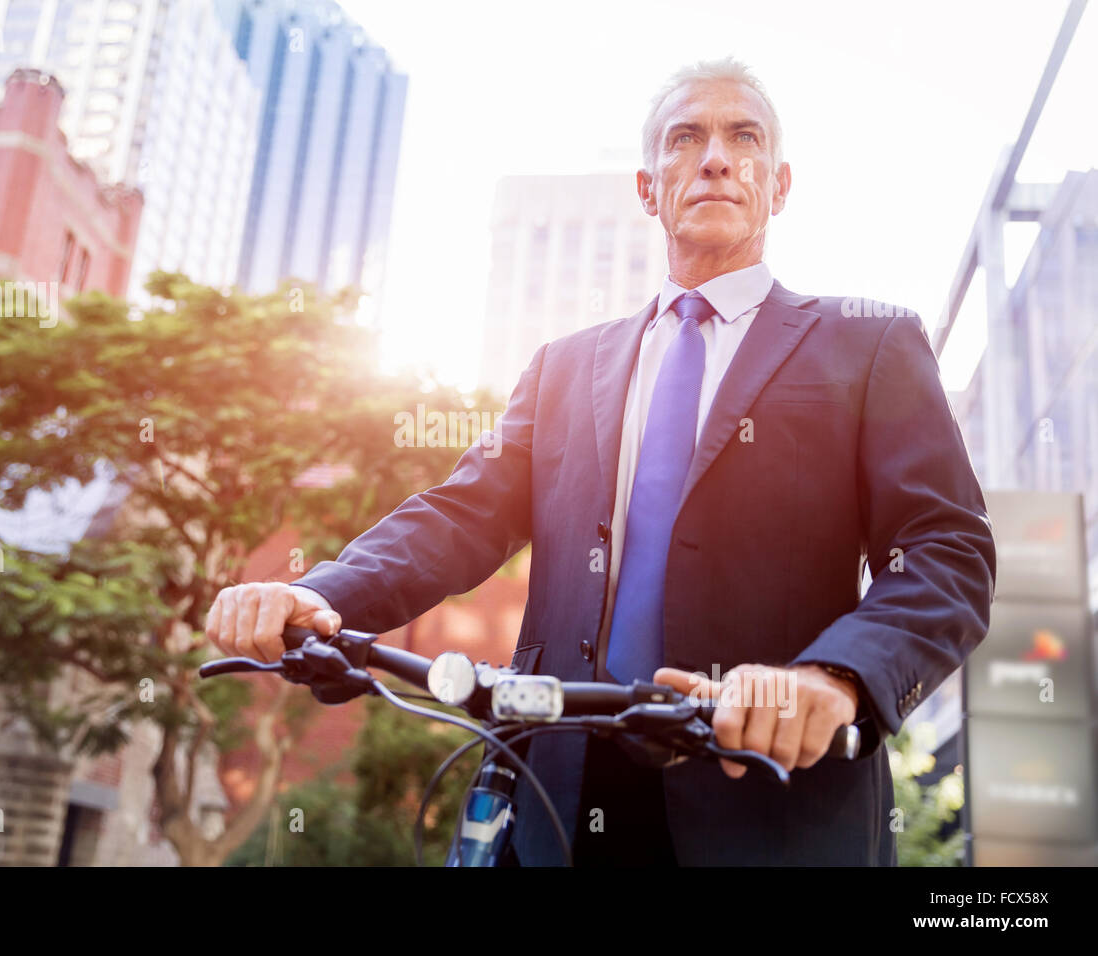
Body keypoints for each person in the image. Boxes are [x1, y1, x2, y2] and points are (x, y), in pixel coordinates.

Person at [204, 56, 996, 866]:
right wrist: (314, 594)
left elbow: (947, 553)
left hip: (768, 798)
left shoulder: (868, 344)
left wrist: (838, 679)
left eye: (742, 137)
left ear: (779, 183)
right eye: (686, 138)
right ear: (649, 188)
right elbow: (459, 516)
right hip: (558, 784)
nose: (716, 157)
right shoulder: (565, 366)